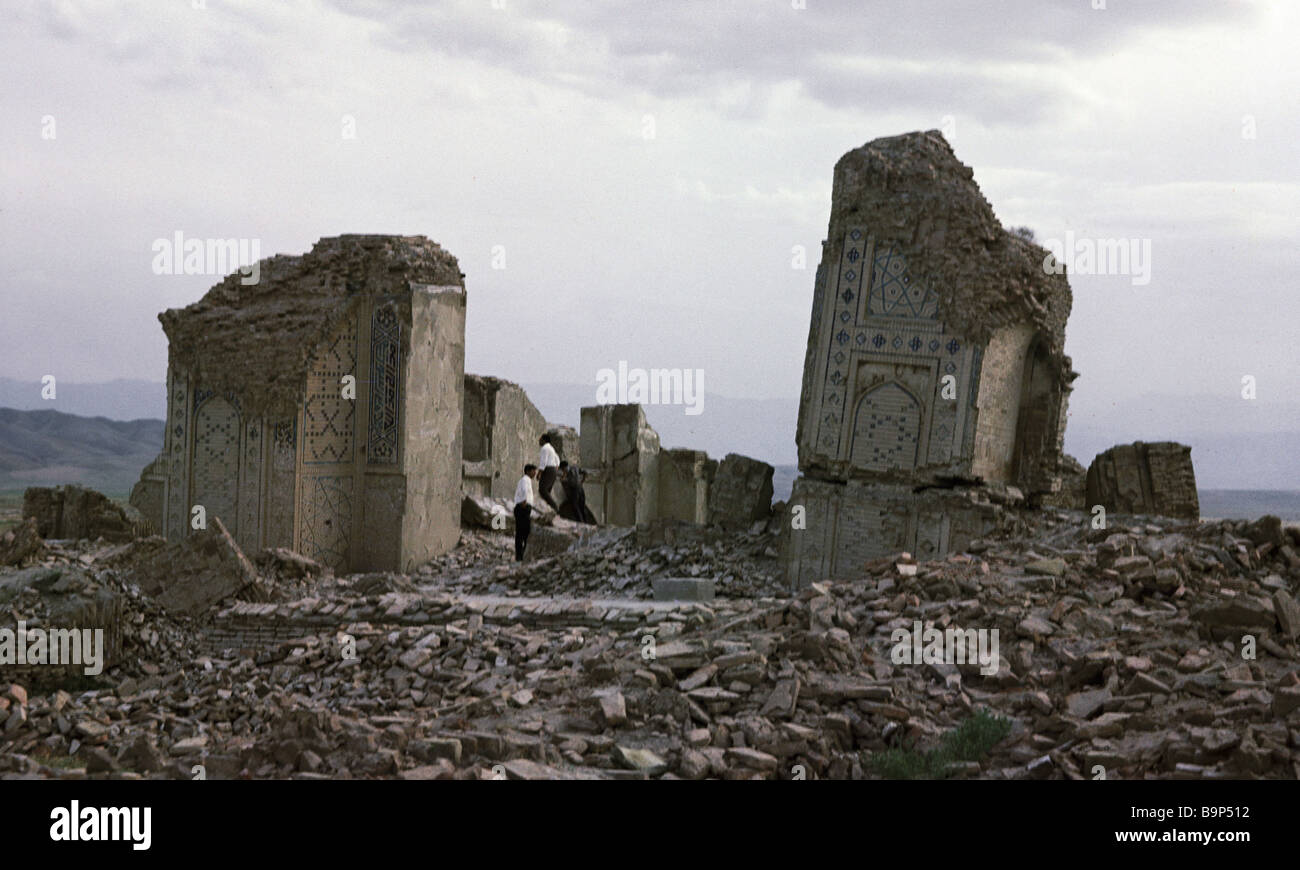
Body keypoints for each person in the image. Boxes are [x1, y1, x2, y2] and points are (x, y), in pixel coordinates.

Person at [513, 463, 538, 561]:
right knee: (522, 533)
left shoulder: (527, 480)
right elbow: (524, 493)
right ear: (528, 471)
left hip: (523, 508)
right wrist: (524, 505)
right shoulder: (525, 480)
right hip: (522, 508)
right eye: (533, 471)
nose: (535, 473)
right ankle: (520, 556)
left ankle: (521, 555)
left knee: (522, 533)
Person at [558, 460, 596, 524]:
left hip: (575, 490)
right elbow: (584, 472)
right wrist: (582, 481)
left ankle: (581, 521)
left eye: (562, 469)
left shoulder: (569, 472)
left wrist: (564, 478)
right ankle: (584, 521)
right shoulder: (575, 468)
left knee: (575, 506)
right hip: (580, 488)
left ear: (564, 468)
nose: (563, 471)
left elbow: (569, 481)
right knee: (581, 506)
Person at [536, 434, 561, 511]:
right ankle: (548, 509)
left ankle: (555, 508)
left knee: (542, 490)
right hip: (553, 470)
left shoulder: (545, 448)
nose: (539, 441)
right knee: (547, 491)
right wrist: (555, 468)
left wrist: (539, 473)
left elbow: (543, 462)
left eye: (540, 439)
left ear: (544, 440)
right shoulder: (551, 448)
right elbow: (557, 459)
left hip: (548, 470)